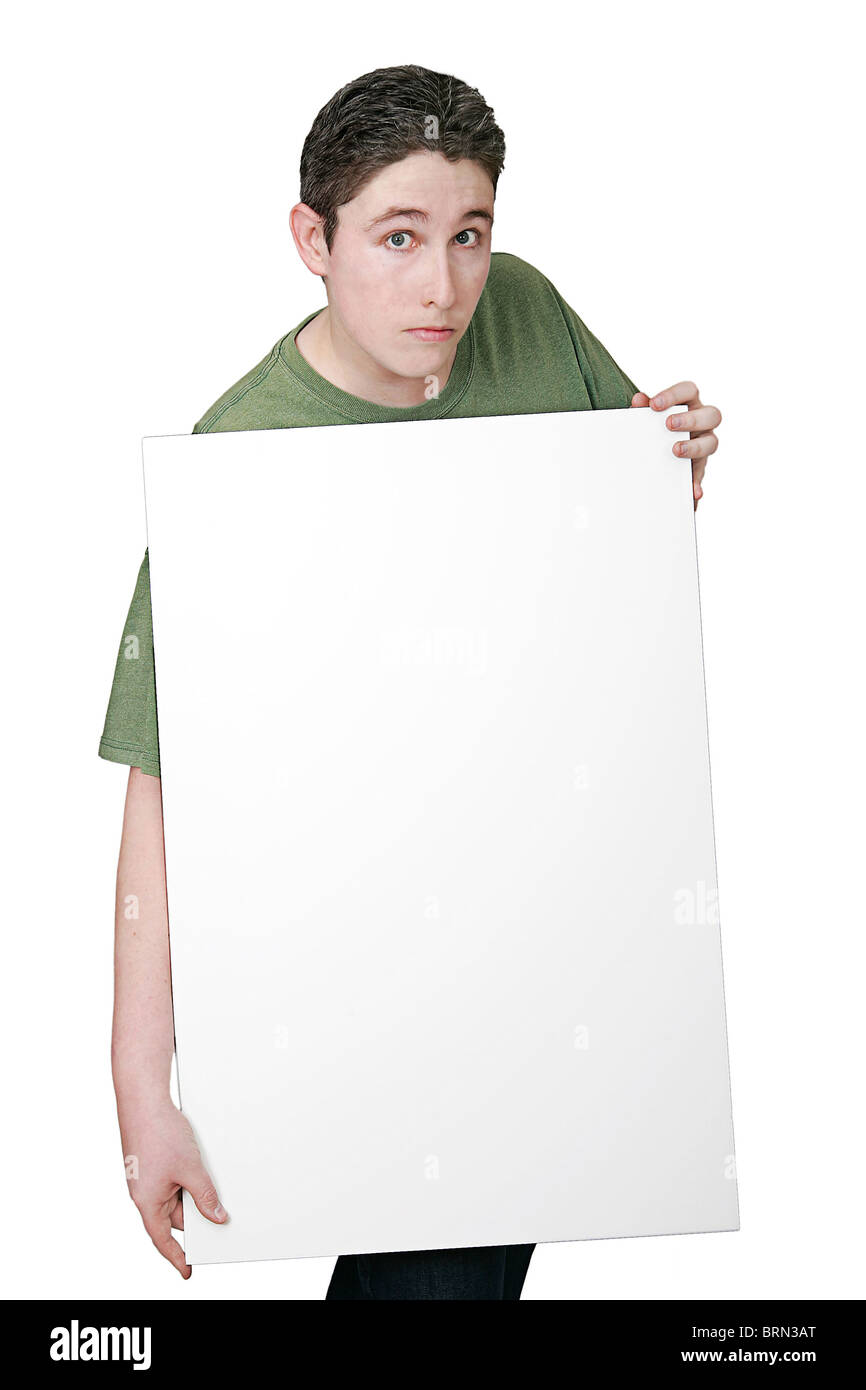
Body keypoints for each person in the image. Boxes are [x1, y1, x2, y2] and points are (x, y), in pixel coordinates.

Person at [100, 63, 722, 1301]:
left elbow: (609, 552)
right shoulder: (242, 463)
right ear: (311, 241)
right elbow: (164, 798)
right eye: (397, 237)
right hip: (368, 974)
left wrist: (669, 451)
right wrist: (140, 1092)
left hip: (554, 943)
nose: (442, 286)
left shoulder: (526, 312)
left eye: (467, 235)